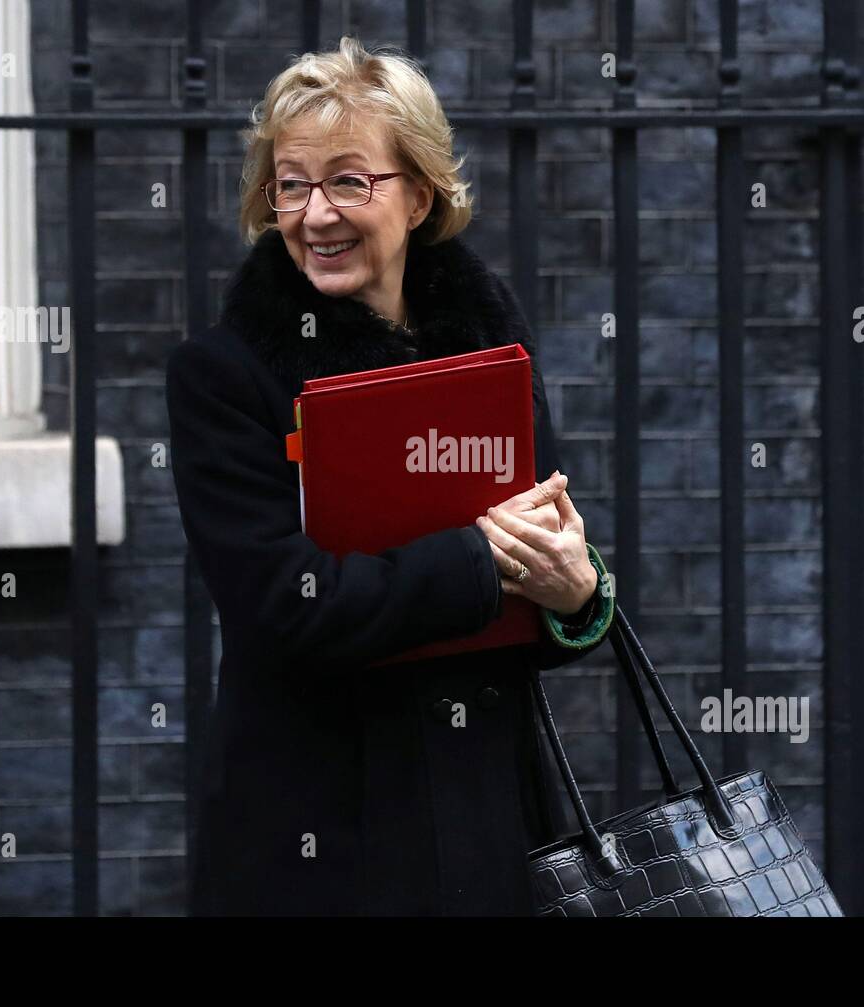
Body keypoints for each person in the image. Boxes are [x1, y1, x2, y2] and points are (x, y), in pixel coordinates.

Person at [165, 36, 615, 916]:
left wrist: (581, 597)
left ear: (419, 195)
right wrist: (485, 564)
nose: (315, 213)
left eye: (348, 180)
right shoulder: (226, 376)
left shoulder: (492, 346)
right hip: (317, 835)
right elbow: (285, 606)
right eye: (290, 184)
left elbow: (553, 558)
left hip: (490, 826)